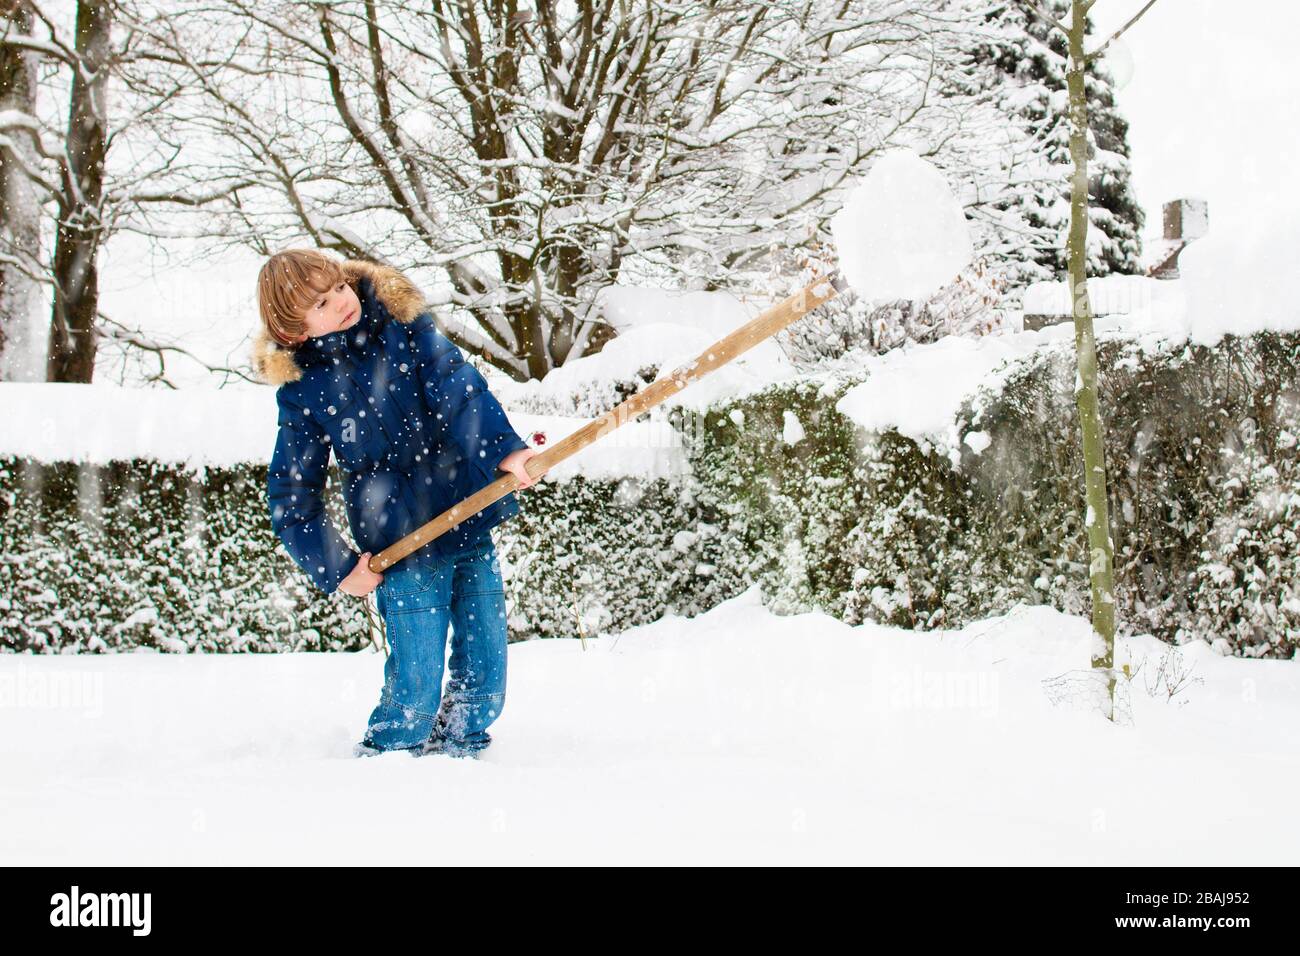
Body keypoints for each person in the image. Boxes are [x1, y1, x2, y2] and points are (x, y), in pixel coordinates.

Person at [252, 248, 538, 759]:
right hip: (401, 545)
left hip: (468, 518)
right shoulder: (303, 391)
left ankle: (463, 754)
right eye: (320, 303)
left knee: (487, 673)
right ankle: (388, 764)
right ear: (295, 331)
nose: (340, 301)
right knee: (416, 685)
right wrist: (338, 568)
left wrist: (506, 450)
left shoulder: (406, 330)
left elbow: (462, 391)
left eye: (339, 286)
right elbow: (293, 494)